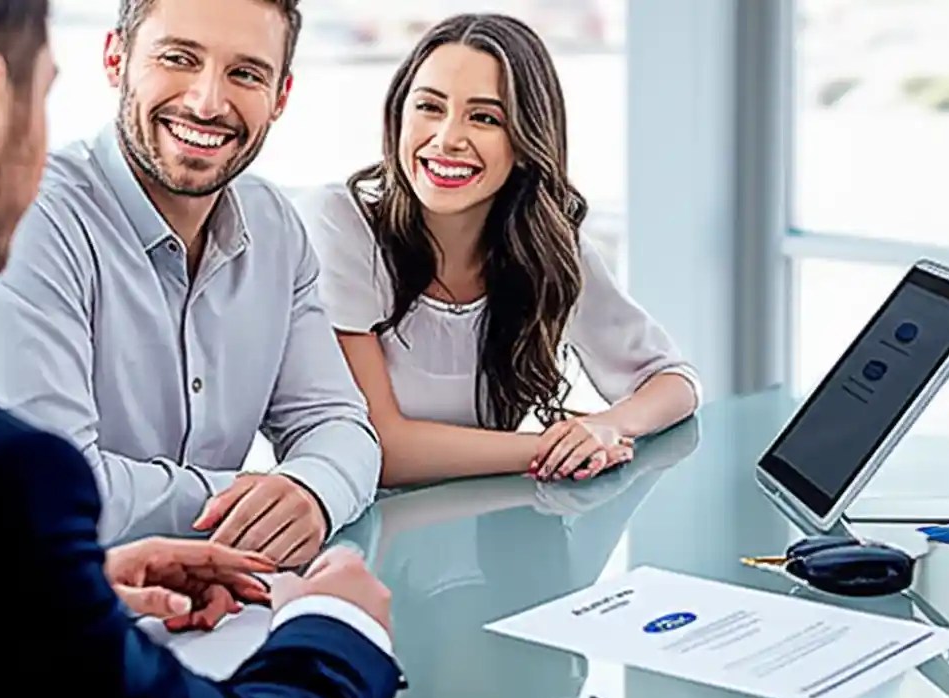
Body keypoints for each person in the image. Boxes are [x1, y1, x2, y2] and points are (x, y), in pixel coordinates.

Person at [0, 0, 403, 698]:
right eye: (178, 57)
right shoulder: (43, 220)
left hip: (157, 608)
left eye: (245, 72)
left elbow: (341, 424)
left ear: (280, 96)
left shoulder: (277, 226)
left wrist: (311, 489)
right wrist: (335, 624)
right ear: (115, 60)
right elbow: (62, 485)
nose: (208, 101)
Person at [294, 14, 701, 488]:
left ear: (526, 142)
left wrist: (606, 425)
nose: (447, 139)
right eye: (429, 107)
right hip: (358, 535)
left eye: (485, 117)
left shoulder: (548, 250)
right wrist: (557, 448)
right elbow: (379, 446)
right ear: (398, 115)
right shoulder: (340, 222)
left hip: (489, 533)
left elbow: (675, 382)